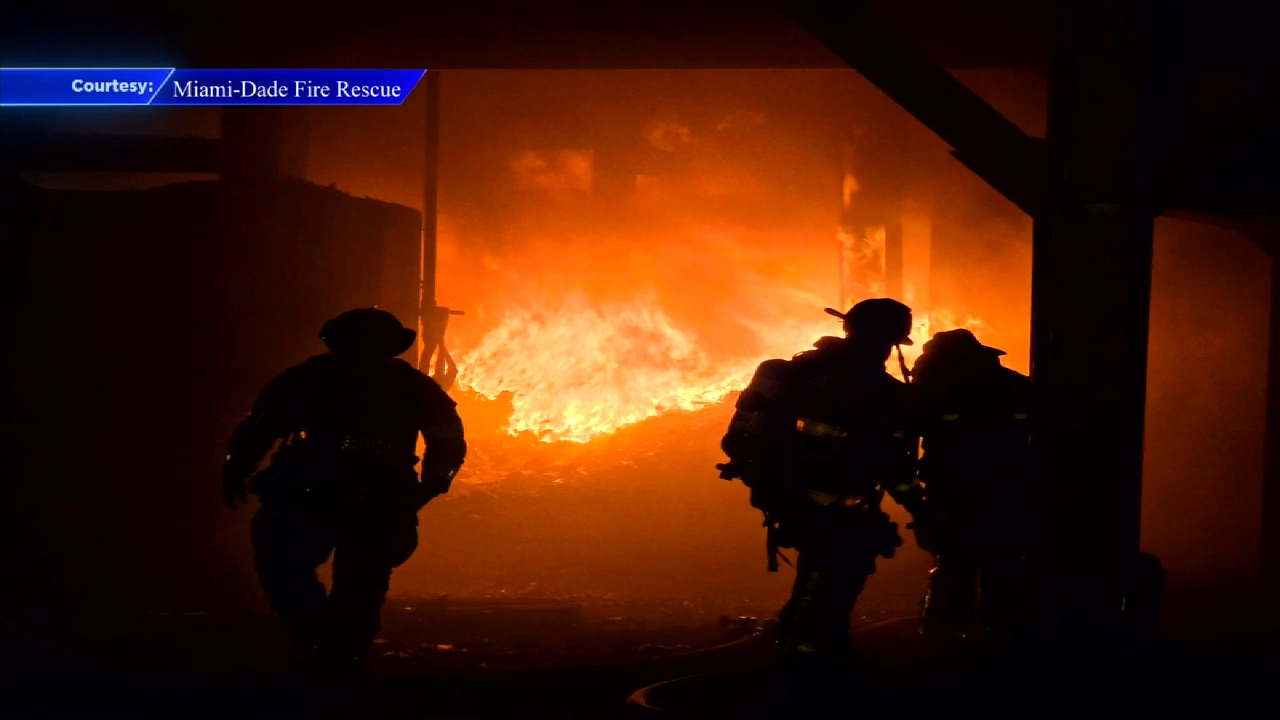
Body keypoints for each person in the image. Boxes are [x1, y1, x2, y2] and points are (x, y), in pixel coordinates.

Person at [221, 307, 466, 675]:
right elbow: (260, 427)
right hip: (329, 495)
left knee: (344, 580)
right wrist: (425, 490)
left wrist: (237, 471)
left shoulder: (310, 379)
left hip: (332, 496)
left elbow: (258, 429)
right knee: (327, 576)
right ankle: (328, 645)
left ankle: (334, 657)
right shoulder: (404, 386)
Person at [719, 298, 923, 658]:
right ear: (891, 342)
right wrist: (919, 506)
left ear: (848, 328)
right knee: (830, 578)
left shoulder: (799, 372)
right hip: (834, 502)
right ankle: (807, 661)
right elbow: (890, 462)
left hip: (786, 492)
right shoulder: (880, 392)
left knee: (821, 576)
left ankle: (807, 651)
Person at [907, 328, 1037, 646]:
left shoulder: (933, 392)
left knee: (954, 564)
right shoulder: (1016, 385)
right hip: (1008, 491)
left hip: (953, 492)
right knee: (1001, 563)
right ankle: (1000, 635)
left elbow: (906, 433)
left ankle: (944, 637)